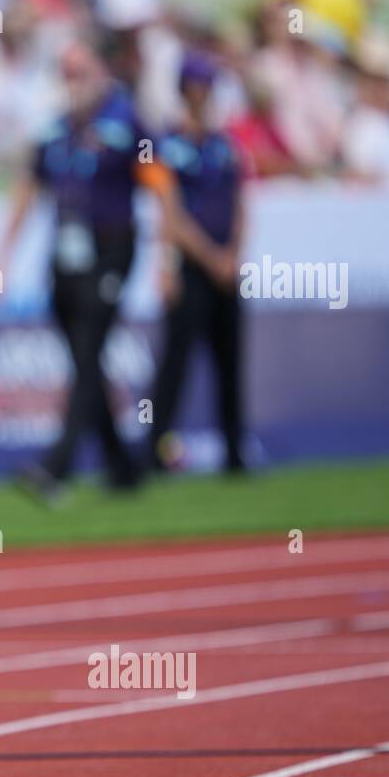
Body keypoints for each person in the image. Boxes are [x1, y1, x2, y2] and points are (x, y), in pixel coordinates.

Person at [0, 36, 170, 504]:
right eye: (67, 73)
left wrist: (168, 255)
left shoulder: (128, 124)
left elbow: (160, 187)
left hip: (112, 249)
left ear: (102, 74)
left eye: (82, 71)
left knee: (90, 348)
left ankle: (58, 466)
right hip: (66, 255)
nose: (74, 82)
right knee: (84, 358)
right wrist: (2, 257)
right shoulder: (55, 131)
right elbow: (27, 191)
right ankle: (122, 466)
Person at [147, 53, 247, 474]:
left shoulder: (224, 146)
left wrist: (233, 256)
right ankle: (154, 447)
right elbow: (170, 216)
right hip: (191, 266)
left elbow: (239, 205)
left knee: (231, 362)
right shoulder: (165, 146)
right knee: (175, 362)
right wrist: (199, 259)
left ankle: (235, 451)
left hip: (225, 267)